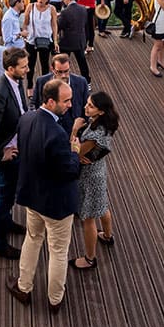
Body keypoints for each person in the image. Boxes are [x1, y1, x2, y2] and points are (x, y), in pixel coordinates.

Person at [6, 79, 82, 312]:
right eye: (66, 100)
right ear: (50, 101)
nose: (71, 104)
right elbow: (69, 171)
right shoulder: (57, 135)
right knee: (58, 251)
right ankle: (55, 299)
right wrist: (75, 153)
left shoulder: (26, 119)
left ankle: (24, 287)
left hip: (33, 196)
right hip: (56, 205)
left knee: (33, 238)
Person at [0, 47, 30, 259]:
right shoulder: (0, 93)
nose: (28, 70)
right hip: (7, 156)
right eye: (24, 67)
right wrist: (1, 155)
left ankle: (7, 222)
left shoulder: (16, 82)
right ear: (11, 68)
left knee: (8, 198)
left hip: (17, 144)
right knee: (4, 198)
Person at [70, 91, 119, 270]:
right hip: (99, 170)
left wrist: (75, 129)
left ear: (101, 111)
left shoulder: (94, 134)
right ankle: (107, 235)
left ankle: (90, 258)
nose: (85, 107)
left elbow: (75, 152)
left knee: (88, 218)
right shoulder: (106, 124)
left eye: (90, 106)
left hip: (89, 177)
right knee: (102, 205)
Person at [30, 54, 89, 137]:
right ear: (52, 69)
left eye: (66, 71)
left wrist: (80, 124)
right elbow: (33, 104)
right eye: (59, 72)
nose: (63, 75)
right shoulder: (41, 81)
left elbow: (86, 106)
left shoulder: (81, 82)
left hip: (73, 128)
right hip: (49, 128)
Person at [23, 0, 58, 86]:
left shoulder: (52, 9)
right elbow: (25, 22)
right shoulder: (30, 6)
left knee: (45, 64)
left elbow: (54, 25)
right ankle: (30, 85)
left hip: (45, 40)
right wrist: (24, 33)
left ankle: (45, 85)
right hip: (32, 39)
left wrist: (55, 41)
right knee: (30, 64)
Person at [56, 0, 91, 80]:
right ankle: (87, 80)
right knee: (82, 62)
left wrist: (57, 18)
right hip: (80, 40)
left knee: (62, 61)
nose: (63, 2)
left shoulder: (65, 12)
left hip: (67, 41)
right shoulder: (83, 9)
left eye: (63, 0)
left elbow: (60, 26)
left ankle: (61, 78)